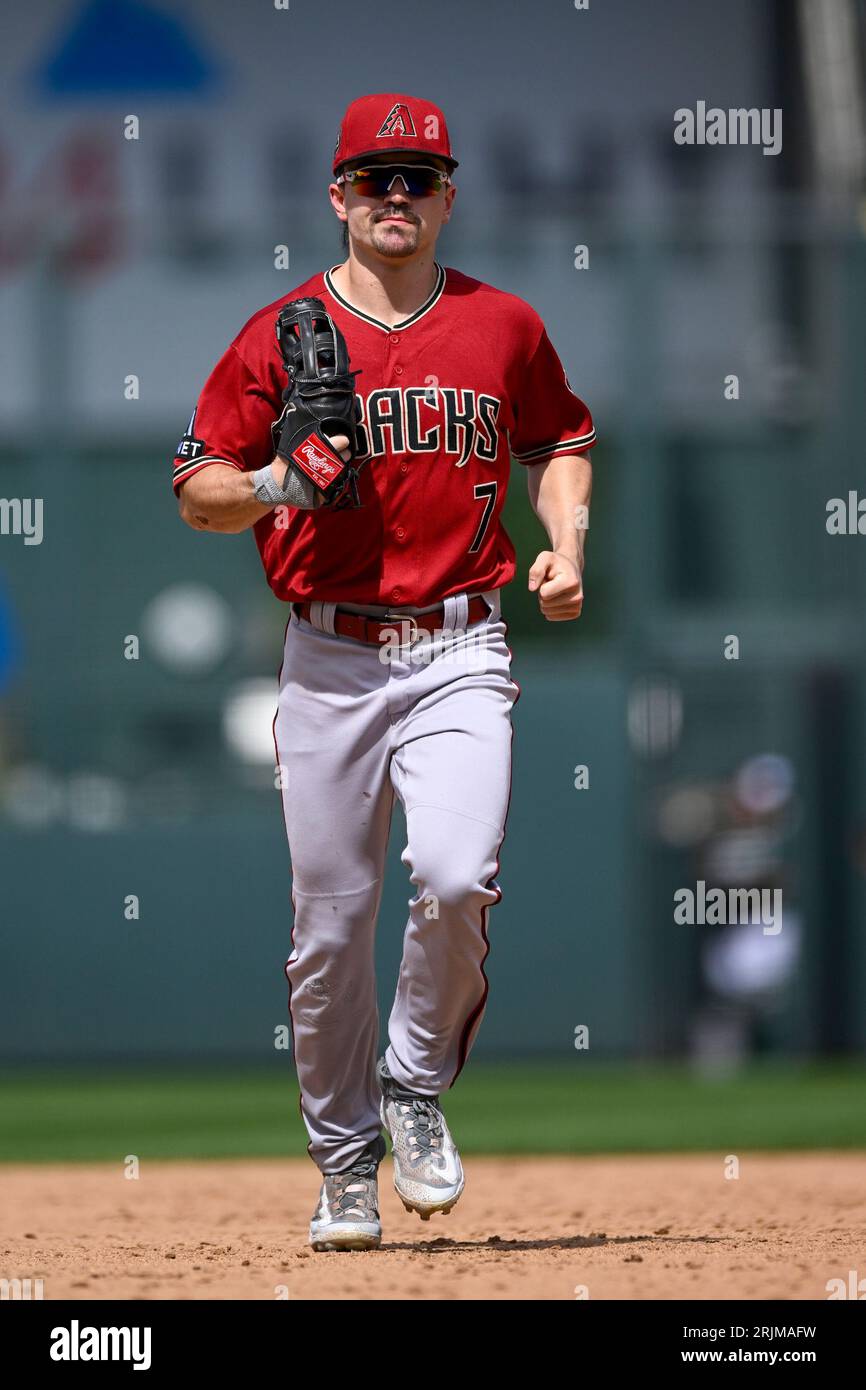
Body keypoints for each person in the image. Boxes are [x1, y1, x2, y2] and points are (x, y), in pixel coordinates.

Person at [173, 92, 596, 1251]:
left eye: (416, 177)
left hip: (462, 640)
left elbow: (557, 436)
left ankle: (411, 1082)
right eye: (373, 178)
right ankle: (344, 1161)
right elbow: (196, 485)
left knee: (455, 877)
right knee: (327, 928)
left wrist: (566, 541)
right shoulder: (279, 331)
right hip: (328, 653)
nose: (394, 197)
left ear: (449, 194)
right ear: (338, 197)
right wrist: (273, 485)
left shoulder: (502, 325)